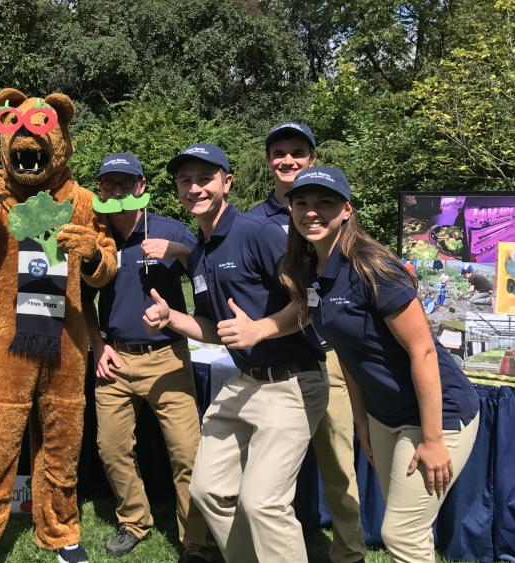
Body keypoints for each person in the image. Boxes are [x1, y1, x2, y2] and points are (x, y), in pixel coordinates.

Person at [232, 167, 480, 562]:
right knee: (405, 523)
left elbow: (424, 352)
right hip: (384, 416)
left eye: (324, 203)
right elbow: (347, 352)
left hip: (439, 413)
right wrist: (363, 422)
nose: (311, 212)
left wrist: (433, 440)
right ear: (290, 209)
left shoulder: (372, 267)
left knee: (401, 534)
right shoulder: (309, 272)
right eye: (302, 203)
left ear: (346, 209)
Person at [142, 143, 328, 563]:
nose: (194, 189)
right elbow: (216, 329)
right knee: (207, 490)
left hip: (294, 381)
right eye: (185, 181)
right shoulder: (201, 251)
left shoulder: (258, 233)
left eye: (204, 179)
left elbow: (311, 302)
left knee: (262, 503)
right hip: (245, 382)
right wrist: (172, 317)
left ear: (226, 183)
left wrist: (259, 328)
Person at [244, 122, 367, 563]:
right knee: (268, 475)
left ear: (312, 158)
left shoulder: (331, 211)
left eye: (298, 151)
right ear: (268, 160)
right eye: (279, 152)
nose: (288, 160)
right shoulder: (251, 221)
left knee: (337, 464)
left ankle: (349, 552)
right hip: (276, 361)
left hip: (328, 356)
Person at [82, 153, 210, 561]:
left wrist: (179, 251)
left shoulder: (171, 229)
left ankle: (196, 542)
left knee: (187, 453)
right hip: (115, 359)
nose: (117, 190)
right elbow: (82, 302)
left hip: (167, 358)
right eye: (109, 184)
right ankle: (134, 520)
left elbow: (207, 273)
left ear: (141, 185)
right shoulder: (96, 238)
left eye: (125, 182)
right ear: (101, 189)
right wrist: (98, 345)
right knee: (112, 448)